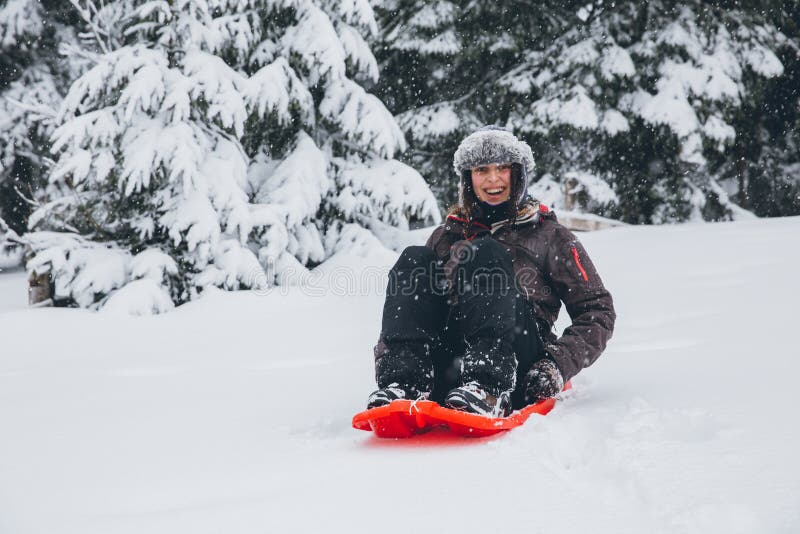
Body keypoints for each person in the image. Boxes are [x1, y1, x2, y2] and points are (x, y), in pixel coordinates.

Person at [366, 126, 616, 417]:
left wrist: (556, 365)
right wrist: (388, 357)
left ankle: (489, 387)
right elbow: (412, 313)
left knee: (484, 252)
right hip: (450, 364)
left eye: (502, 168)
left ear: (519, 173)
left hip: (516, 362)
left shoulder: (550, 236)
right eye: (481, 169)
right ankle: (405, 384)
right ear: (468, 178)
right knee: (414, 258)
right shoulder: (445, 236)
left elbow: (597, 310)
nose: (492, 178)